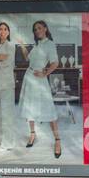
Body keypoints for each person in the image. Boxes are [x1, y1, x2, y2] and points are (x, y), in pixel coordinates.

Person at [18, 20, 62, 158]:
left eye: (39, 28)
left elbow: (55, 62)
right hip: (29, 77)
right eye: (35, 29)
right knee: (29, 107)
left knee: (49, 109)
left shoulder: (49, 44)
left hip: (40, 79)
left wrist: (45, 73)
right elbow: (27, 58)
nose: (37, 31)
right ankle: (32, 134)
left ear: (45, 29)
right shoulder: (36, 46)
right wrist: (22, 45)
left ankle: (57, 140)